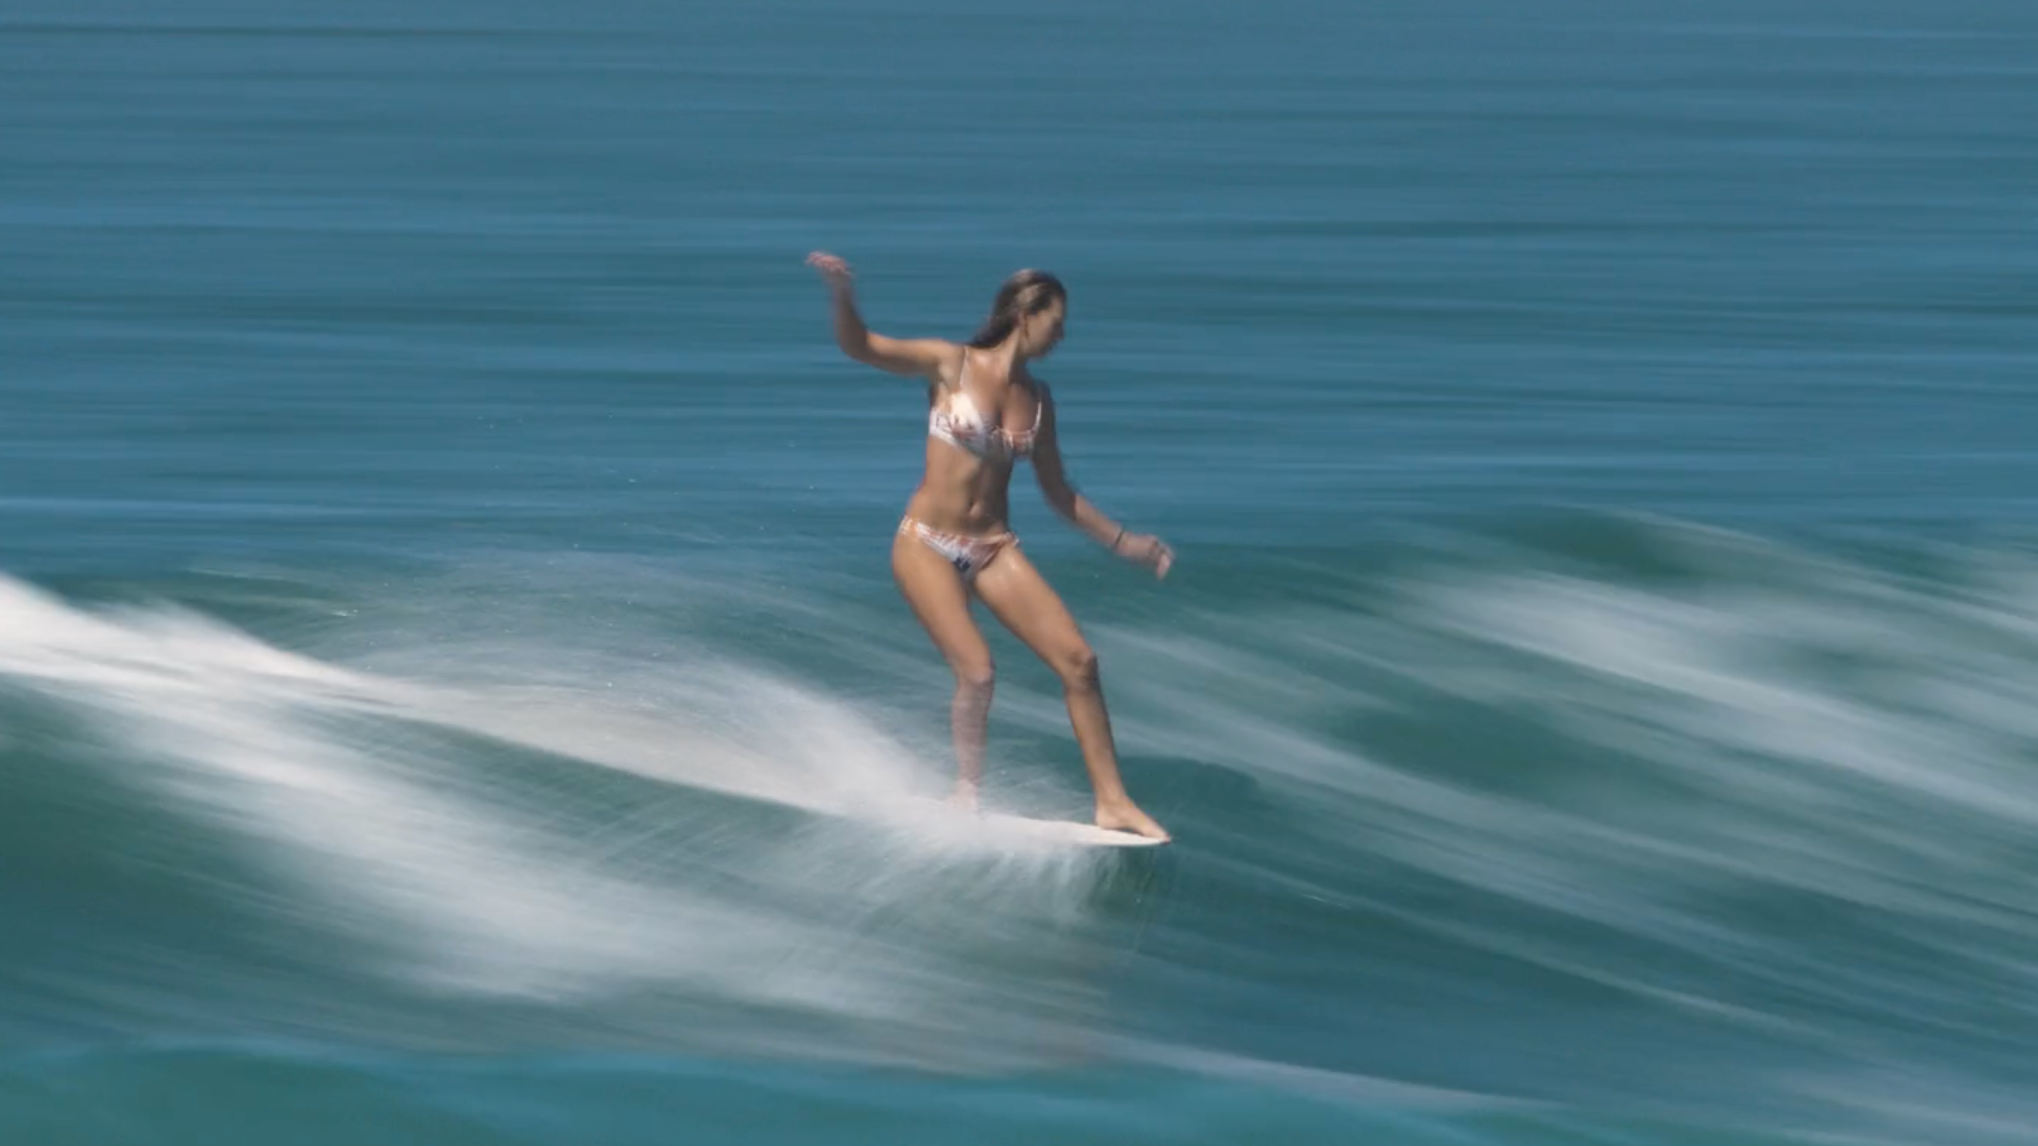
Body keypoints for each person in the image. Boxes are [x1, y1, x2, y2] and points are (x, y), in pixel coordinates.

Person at [806, 251, 1173, 841]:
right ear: (1027, 315)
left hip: (993, 548)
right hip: (925, 542)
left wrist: (1126, 542)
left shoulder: (1039, 400)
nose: (1063, 334)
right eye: (1058, 321)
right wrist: (842, 294)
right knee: (977, 672)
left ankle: (1113, 802)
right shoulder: (950, 364)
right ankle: (965, 791)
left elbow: (1059, 494)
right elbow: (863, 347)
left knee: (1080, 662)